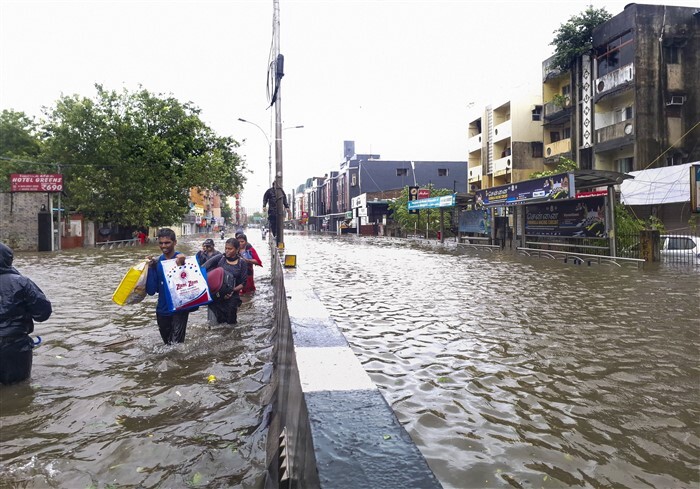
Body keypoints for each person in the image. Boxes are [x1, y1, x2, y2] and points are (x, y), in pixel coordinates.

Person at [0, 242, 52, 384]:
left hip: (14, 343)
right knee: (19, 388)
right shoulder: (21, 282)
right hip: (15, 346)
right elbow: (43, 312)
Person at [145, 228, 190, 345]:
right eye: (161, 243)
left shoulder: (183, 259)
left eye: (167, 242)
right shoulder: (156, 262)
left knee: (176, 346)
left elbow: (192, 283)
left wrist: (184, 264)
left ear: (175, 242)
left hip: (180, 309)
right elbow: (151, 291)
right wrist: (149, 268)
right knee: (167, 345)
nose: (164, 246)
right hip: (162, 310)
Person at [202, 238, 247, 324]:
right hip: (217, 296)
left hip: (232, 297)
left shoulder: (242, 263)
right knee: (215, 325)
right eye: (226, 248)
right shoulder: (220, 258)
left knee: (230, 325)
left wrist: (232, 291)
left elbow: (243, 283)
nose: (227, 251)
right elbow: (204, 267)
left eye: (230, 249)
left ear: (237, 249)